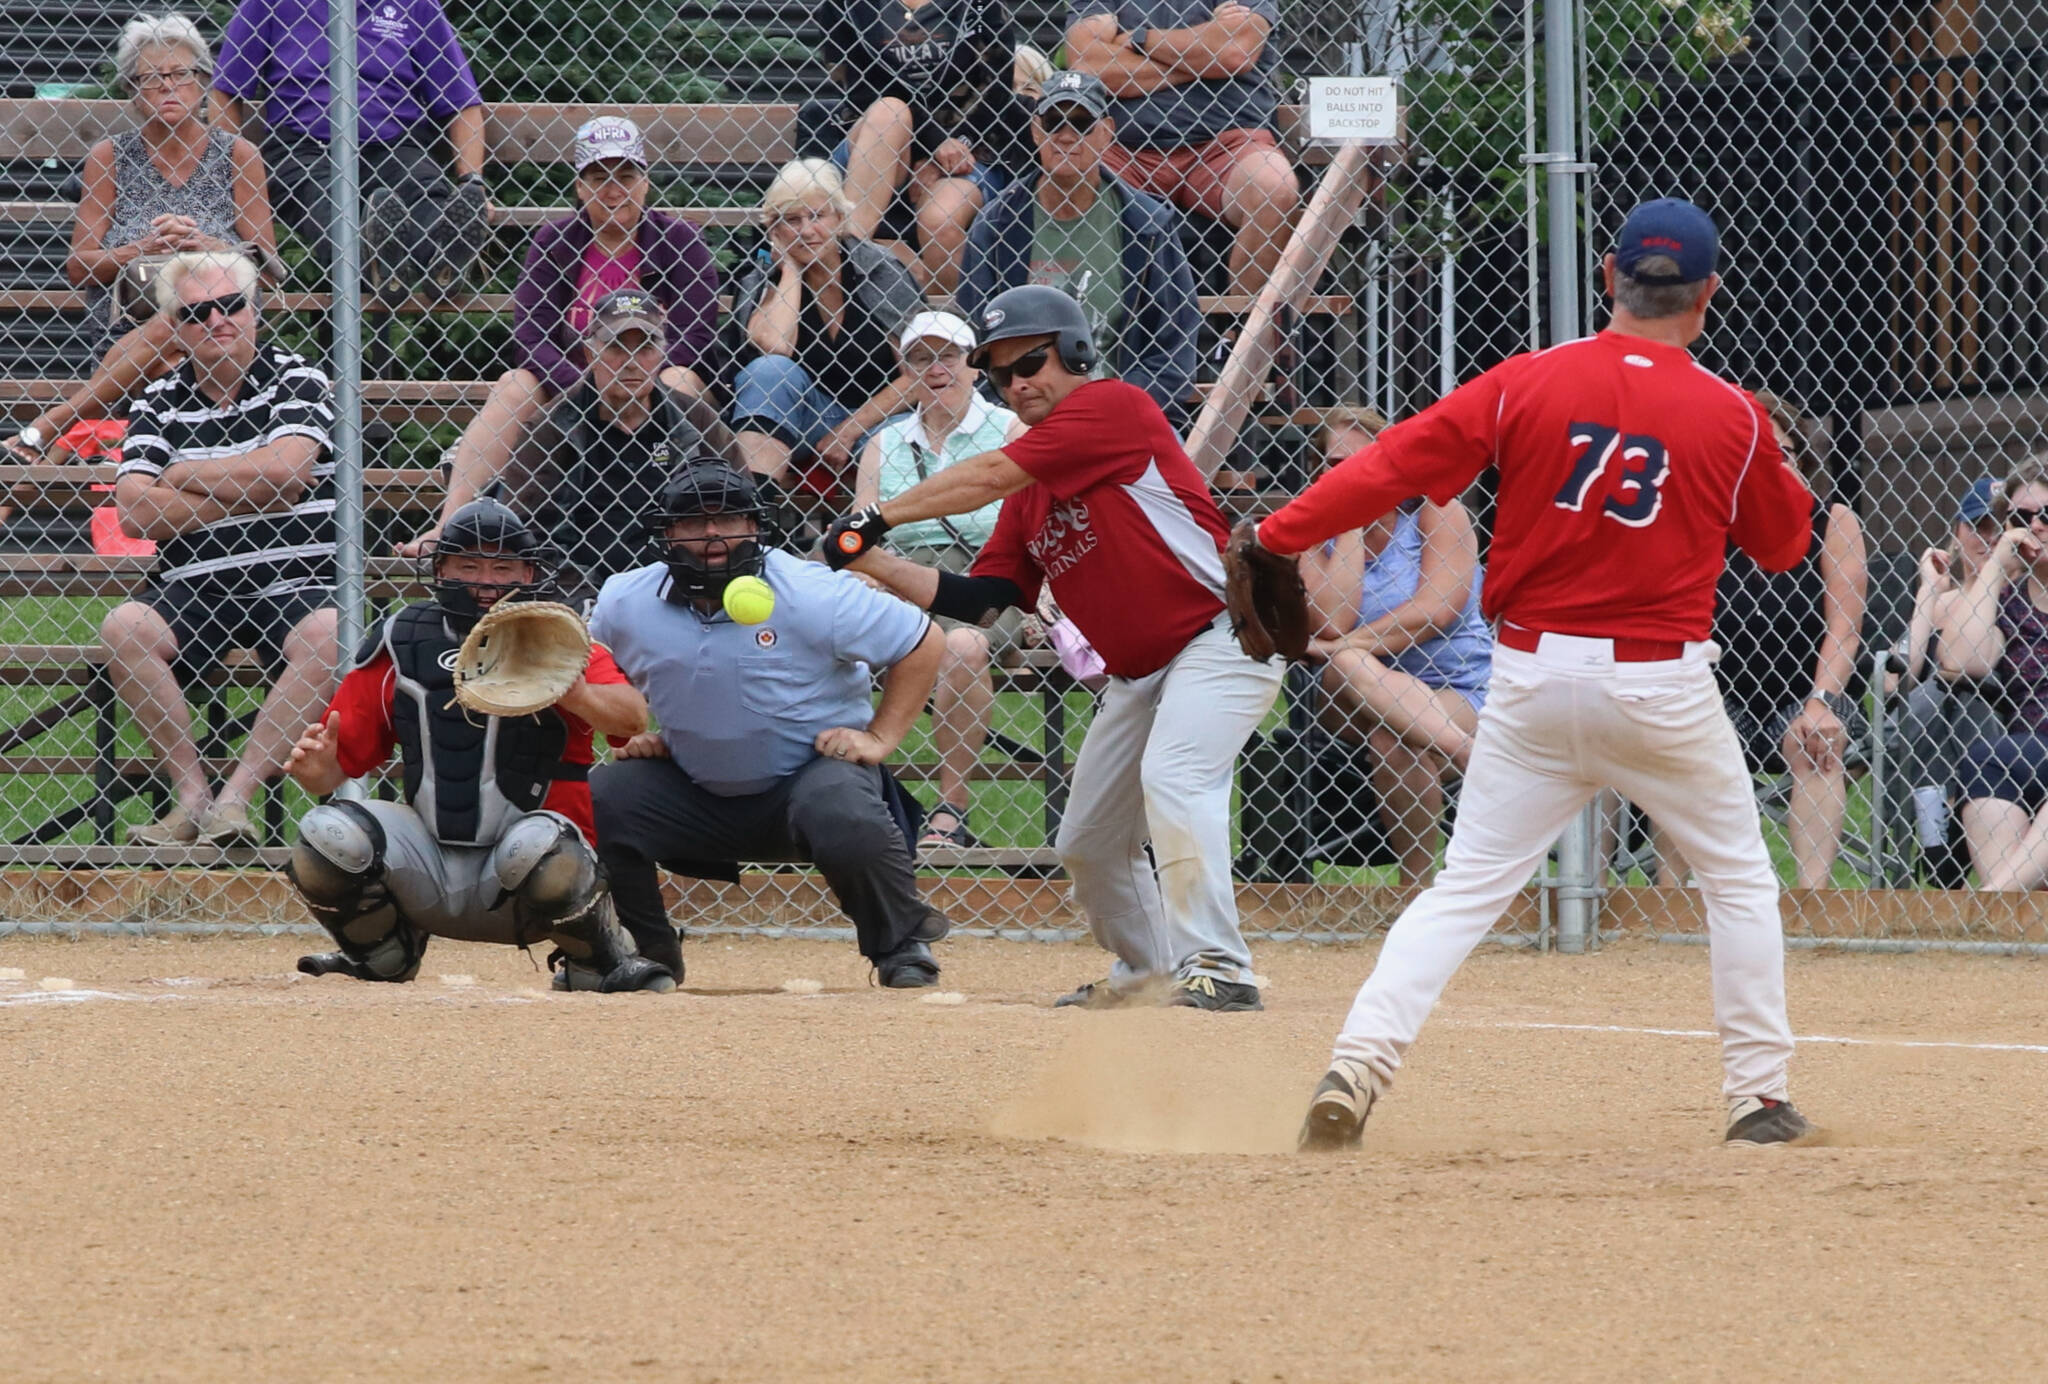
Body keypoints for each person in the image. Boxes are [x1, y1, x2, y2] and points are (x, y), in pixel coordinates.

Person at [1258, 199, 1821, 1150]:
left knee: (1466, 887)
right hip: (1662, 688)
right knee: (1737, 882)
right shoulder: (1734, 414)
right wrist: (1760, 461)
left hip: (1528, 680)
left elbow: (1391, 463)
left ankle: (1358, 1062)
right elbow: (1781, 545)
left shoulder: (1526, 382)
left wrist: (1280, 533)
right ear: (1707, 294)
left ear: (1610, 279)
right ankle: (1757, 1097)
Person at [822, 284, 1285, 1010]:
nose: (1019, 383)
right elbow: (982, 599)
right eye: (1003, 373)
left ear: (1074, 352)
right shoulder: (1032, 494)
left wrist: (875, 518)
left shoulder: (1114, 407)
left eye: (1032, 362)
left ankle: (1222, 969)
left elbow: (985, 475)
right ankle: (1148, 973)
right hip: (1139, 673)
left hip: (1218, 641)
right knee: (1090, 841)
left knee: (1176, 776)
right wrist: (869, 561)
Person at [283, 497, 673, 992]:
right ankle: (381, 954)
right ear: (440, 568)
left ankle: (598, 961)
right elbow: (332, 771)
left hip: (529, 876)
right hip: (426, 864)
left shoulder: (558, 638)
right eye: (468, 565)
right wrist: (315, 768)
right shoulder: (403, 637)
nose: (486, 582)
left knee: (541, 844)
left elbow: (632, 717)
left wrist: (577, 693)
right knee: (324, 832)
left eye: (503, 567)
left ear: (529, 574)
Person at [589, 461, 951, 986]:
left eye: (729, 518)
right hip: (693, 790)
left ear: (756, 527)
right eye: (693, 521)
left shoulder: (812, 592)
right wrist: (630, 734)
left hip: (807, 784)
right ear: (666, 534)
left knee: (841, 804)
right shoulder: (626, 600)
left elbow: (923, 641)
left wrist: (880, 737)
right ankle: (644, 954)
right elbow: (596, 668)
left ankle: (900, 946)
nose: (713, 534)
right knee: (602, 796)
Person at [101, 249, 340, 849]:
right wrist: (255, 490)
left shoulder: (298, 378)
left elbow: (290, 470)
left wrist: (180, 475)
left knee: (332, 632)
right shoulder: (157, 397)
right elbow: (135, 511)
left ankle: (234, 802)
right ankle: (192, 799)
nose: (217, 320)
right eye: (196, 312)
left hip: (297, 578)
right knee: (124, 626)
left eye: (232, 305)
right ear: (175, 328)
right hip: (194, 583)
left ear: (256, 311)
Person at [399, 116, 719, 556]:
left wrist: (639, 378)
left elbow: (695, 332)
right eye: (598, 178)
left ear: (645, 183)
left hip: (653, 381)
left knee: (680, 379)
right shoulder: (557, 240)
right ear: (580, 187)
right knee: (515, 384)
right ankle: (450, 525)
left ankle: (683, 517)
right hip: (572, 383)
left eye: (626, 176)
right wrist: (588, 388)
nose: (613, 190)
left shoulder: (679, 239)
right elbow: (531, 335)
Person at [6, 14, 278, 463]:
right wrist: (143, 250)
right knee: (173, 340)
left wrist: (204, 246)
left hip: (220, 320)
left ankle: (49, 428)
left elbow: (267, 262)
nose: (167, 87)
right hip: (125, 324)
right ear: (133, 92)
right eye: (150, 78)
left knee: (184, 310)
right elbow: (79, 265)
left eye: (180, 74)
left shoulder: (238, 154)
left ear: (203, 83)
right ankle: (57, 442)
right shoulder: (110, 156)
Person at [1659, 391, 1867, 890]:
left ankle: (1810, 900)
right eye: (1753, 454)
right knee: (1685, 741)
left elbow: (1844, 627)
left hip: (1805, 692)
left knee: (1814, 741)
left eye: (1783, 453)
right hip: (1714, 692)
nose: (1769, 465)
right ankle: (1668, 900)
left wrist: (1821, 701)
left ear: (1801, 460)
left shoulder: (1832, 522)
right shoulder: (1702, 523)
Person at [852, 310, 1026, 847]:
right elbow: (863, 537)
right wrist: (870, 580)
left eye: (948, 355)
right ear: (905, 369)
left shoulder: (1010, 430)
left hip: (984, 582)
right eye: (920, 358)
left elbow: (1035, 526)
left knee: (965, 647)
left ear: (974, 365)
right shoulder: (884, 443)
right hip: (902, 585)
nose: (936, 368)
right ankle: (849, 805)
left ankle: (950, 813)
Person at [1299, 408, 1491, 889]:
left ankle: (1416, 888)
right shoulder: (1306, 530)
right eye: (1333, 462)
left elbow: (1435, 610)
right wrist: (1350, 521)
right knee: (1346, 665)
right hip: (1347, 699)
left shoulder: (1435, 511)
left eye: (1358, 462)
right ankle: (1472, 756)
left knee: (1392, 738)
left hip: (1456, 688)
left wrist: (1339, 647)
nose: (1341, 472)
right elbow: (1331, 618)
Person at [957, 69, 1199, 423]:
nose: (1067, 136)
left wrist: (1120, 410)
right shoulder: (996, 225)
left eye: (1083, 123)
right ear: (1036, 131)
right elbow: (973, 338)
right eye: (1054, 122)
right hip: (1020, 419)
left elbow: (1175, 344)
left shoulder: (1147, 223)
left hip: (1119, 416)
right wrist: (1006, 418)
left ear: (1107, 133)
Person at [210, 0, 488, 293]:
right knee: (328, 205)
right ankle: (376, 264)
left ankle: (441, 258)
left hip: (393, 144)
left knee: (424, 191)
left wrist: (474, 182)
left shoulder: (416, 5)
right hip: (302, 146)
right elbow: (226, 91)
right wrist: (223, 178)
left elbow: (462, 105)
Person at [502, 288, 744, 610]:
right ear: (590, 353)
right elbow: (529, 533)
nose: (632, 362)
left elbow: (743, 506)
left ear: (662, 352)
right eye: (616, 346)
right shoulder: (552, 426)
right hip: (578, 596)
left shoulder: (696, 420)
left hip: (683, 588)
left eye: (646, 346)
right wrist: (584, 601)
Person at [1063, 0, 1299, 297]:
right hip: (1123, 151)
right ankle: (1098, 333)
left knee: (1274, 188)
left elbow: (1234, 51)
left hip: (1226, 146)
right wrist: (1204, 59)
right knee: (1070, 185)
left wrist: (1137, 38)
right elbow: (1087, 65)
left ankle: (1240, 336)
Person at [726, 160, 925, 492]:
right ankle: (756, 514)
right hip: (800, 419)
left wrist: (849, 429)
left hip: (880, 418)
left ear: (839, 218)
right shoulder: (763, 280)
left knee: (897, 447)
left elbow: (919, 373)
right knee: (769, 371)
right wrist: (790, 270)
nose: (805, 231)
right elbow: (776, 347)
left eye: (817, 216)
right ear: (774, 230)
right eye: (791, 220)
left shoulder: (880, 271)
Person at [826, 0, 1033, 292]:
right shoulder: (849, 5)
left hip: (968, 148)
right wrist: (934, 144)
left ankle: (942, 331)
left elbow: (996, 84)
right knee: (890, 111)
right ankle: (846, 257)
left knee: (941, 220)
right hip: (878, 145)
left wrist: (953, 148)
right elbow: (860, 88)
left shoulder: (977, 5)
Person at [1883, 476, 2008, 878]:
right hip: (1928, 727)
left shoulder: (2024, 597)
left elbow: (1968, 667)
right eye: (1979, 526)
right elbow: (1892, 683)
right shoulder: (1943, 601)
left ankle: (1938, 833)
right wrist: (1927, 593)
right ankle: (1945, 830)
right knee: (1938, 695)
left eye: (2000, 527)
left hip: (1995, 725)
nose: (1988, 538)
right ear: (1958, 531)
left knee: (1961, 692)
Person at [1948, 462, 2048, 890]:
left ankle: (1990, 906)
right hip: (2030, 751)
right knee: (1985, 760)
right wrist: (1995, 569)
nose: (2036, 527)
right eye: (2020, 519)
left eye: (2047, 514)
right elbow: (1959, 661)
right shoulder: (2006, 600)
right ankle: (2006, 915)